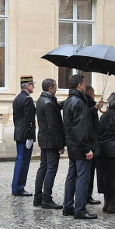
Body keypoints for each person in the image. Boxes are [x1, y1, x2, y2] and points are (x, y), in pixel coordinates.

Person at [61, 74, 98, 220]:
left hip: (72, 145)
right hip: (80, 146)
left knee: (72, 176)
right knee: (83, 178)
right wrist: (86, 149)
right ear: (80, 86)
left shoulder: (68, 101)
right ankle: (80, 209)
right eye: (84, 84)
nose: (84, 86)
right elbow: (81, 128)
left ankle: (67, 206)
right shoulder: (79, 102)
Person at [33, 78, 64, 210]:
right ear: (51, 88)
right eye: (55, 87)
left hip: (44, 138)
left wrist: (65, 102)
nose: (56, 89)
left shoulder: (42, 99)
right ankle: (46, 198)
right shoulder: (49, 103)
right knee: (51, 169)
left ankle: (37, 197)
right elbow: (53, 126)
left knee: (43, 167)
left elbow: (55, 108)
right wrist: (60, 145)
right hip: (51, 141)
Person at [11, 75, 36, 196]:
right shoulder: (28, 99)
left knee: (20, 160)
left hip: (19, 132)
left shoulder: (17, 98)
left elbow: (16, 118)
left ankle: (16, 187)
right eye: (32, 85)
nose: (33, 87)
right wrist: (30, 136)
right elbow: (29, 119)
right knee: (23, 162)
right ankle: (19, 187)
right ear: (27, 85)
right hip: (25, 134)